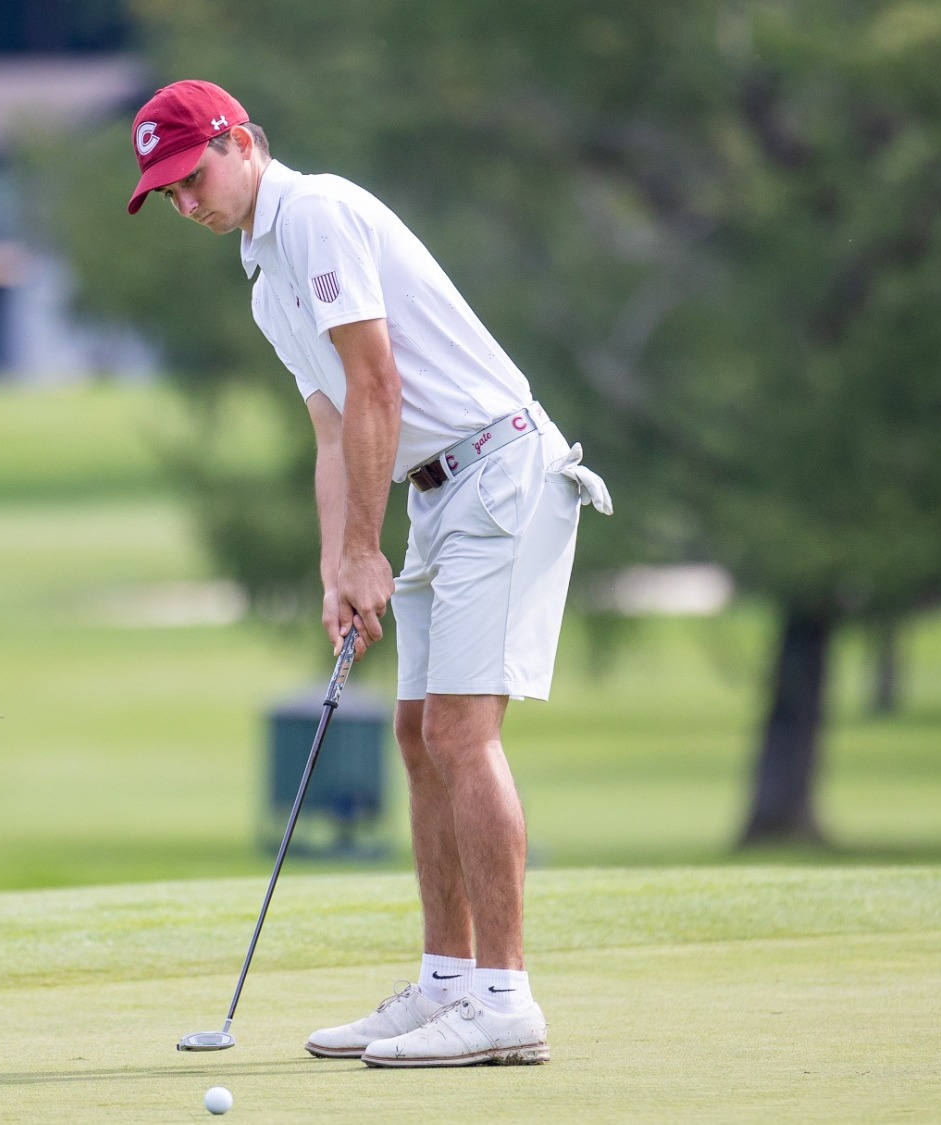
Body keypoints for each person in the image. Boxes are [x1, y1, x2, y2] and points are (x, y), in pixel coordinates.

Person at [127, 80, 610, 1068]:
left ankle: (504, 998)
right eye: (167, 193)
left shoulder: (317, 214)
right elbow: (330, 427)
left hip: (497, 473)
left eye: (191, 176)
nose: (185, 204)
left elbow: (376, 381)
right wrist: (333, 566)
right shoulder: (266, 279)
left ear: (242, 142)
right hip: (436, 493)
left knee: (458, 732)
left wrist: (364, 547)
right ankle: (446, 987)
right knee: (415, 732)